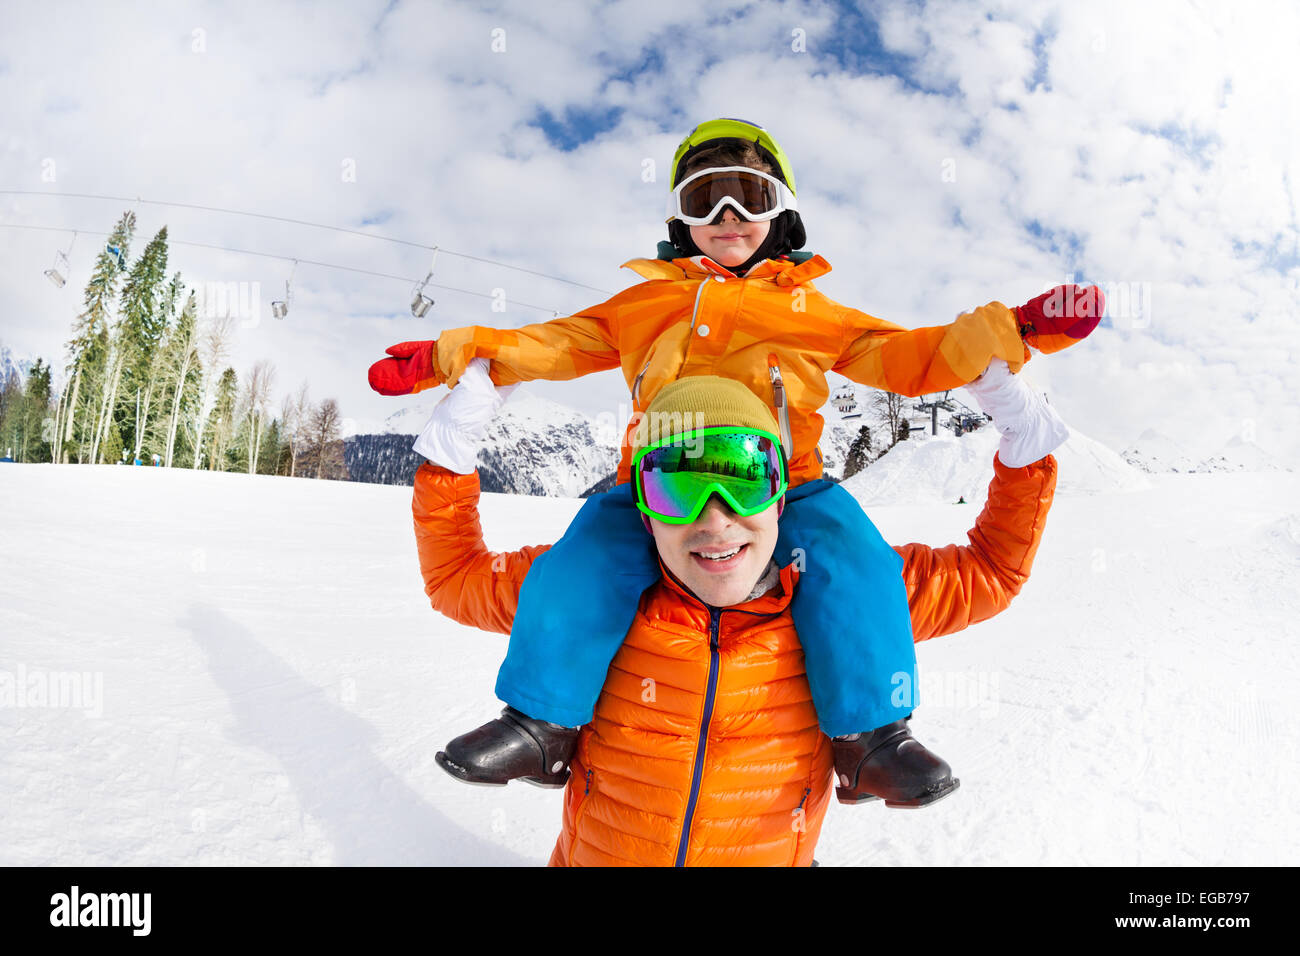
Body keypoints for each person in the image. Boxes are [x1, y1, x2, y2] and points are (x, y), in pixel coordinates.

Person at [373, 117, 1100, 805]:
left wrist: (1017, 330)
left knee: (858, 565)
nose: (727, 213)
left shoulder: (815, 313)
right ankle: (542, 722)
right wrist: (450, 355)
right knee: (584, 557)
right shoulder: (643, 304)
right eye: (704, 197)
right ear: (679, 219)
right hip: (658, 481)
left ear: (780, 213)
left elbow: (914, 356)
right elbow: (549, 345)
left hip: (787, 485)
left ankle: (871, 734)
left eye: (749, 196)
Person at [412, 366, 1064, 866]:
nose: (714, 518)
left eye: (743, 477)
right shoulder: (585, 596)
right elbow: (456, 580)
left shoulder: (849, 600)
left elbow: (989, 572)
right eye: (677, 485)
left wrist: (1022, 433)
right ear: (642, 509)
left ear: (781, 492)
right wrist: (453, 438)